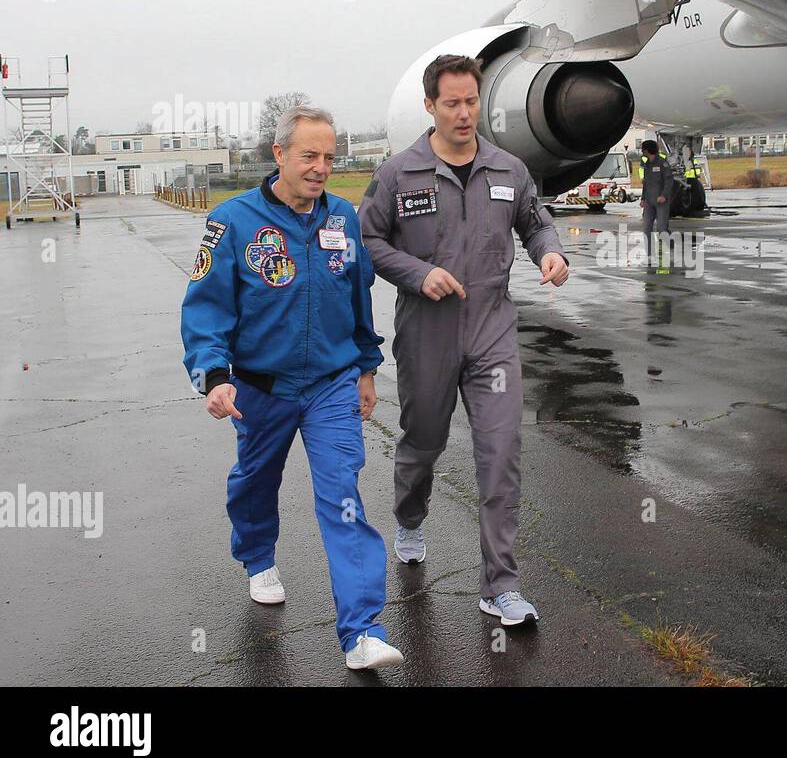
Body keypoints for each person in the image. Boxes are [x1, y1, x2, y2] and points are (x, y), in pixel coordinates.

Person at [181, 105, 403, 672]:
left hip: (330, 384)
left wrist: (366, 367)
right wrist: (214, 375)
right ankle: (257, 556)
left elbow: (358, 299)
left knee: (343, 495)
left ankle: (362, 631)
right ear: (279, 154)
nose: (322, 167)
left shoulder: (343, 220)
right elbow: (206, 308)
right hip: (261, 388)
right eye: (310, 155)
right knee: (256, 480)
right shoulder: (232, 221)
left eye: (329, 156)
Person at [359, 54, 569, 628]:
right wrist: (415, 271)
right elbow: (368, 239)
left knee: (501, 454)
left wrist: (550, 250)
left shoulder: (508, 169)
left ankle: (500, 584)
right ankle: (408, 516)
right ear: (429, 106)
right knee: (422, 442)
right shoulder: (399, 174)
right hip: (427, 334)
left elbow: (536, 221)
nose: (463, 113)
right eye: (451, 103)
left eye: (471, 101)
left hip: (492, 333)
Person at [640, 138, 671, 268]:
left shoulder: (662, 163)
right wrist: (642, 198)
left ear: (647, 150)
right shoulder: (647, 164)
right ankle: (649, 256)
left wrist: (664, 195)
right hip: (649, 201)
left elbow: (669, 181)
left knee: (662, 228)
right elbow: (645, 183)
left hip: (660, 202)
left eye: (643, 149)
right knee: (647, 228)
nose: (641, 151)